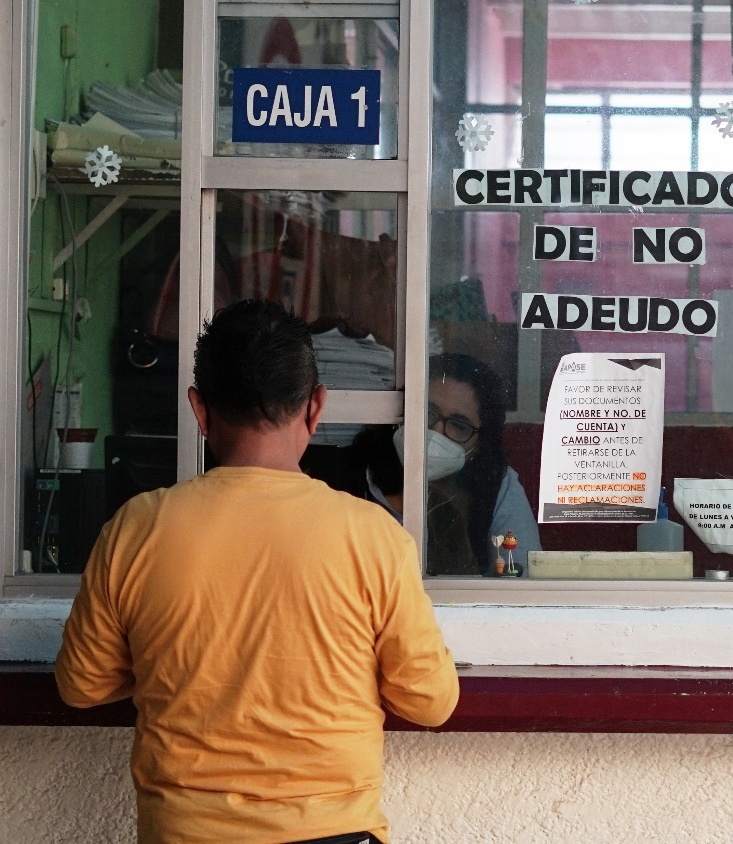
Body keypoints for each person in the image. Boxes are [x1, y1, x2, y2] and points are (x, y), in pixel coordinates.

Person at [55, 299, 459, 844]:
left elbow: (81, 686)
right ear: (316, 408)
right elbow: (430, 703)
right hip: (335, 833)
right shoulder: (374, 537)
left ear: (199, 411)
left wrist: (164, 661)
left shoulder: (137, 529)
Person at [355, 352, 541, 575]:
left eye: (459, 425)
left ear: (478, 445)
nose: (435, 432)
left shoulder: (497, 485)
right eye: (427, 412)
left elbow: (519, 579)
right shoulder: (351, 470)